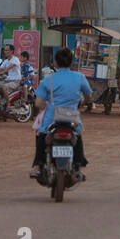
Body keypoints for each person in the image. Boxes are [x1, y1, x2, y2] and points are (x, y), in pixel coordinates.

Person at [31, 47, 93, 179]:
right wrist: (82, 103)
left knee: (41, 135)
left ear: (56, 63)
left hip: (52, 119)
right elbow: (89, 97)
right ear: (71, 63)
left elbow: (38, 103)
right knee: (77, 136)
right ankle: (78, 164)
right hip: (72, 118)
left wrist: (44, 106)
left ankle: (38, 164)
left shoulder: (49, 79)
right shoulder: (80, 77)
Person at [0, 44, 23, 110]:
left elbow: (10, 66)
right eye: (4, 50)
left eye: (6, 50)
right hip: (7, 80)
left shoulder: (15, 59)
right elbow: (0, 69)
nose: (5, 51)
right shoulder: (5, 61)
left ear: (11, 51)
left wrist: (3, 72)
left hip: (15, 81)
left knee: (4, 87)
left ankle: (8, 105)